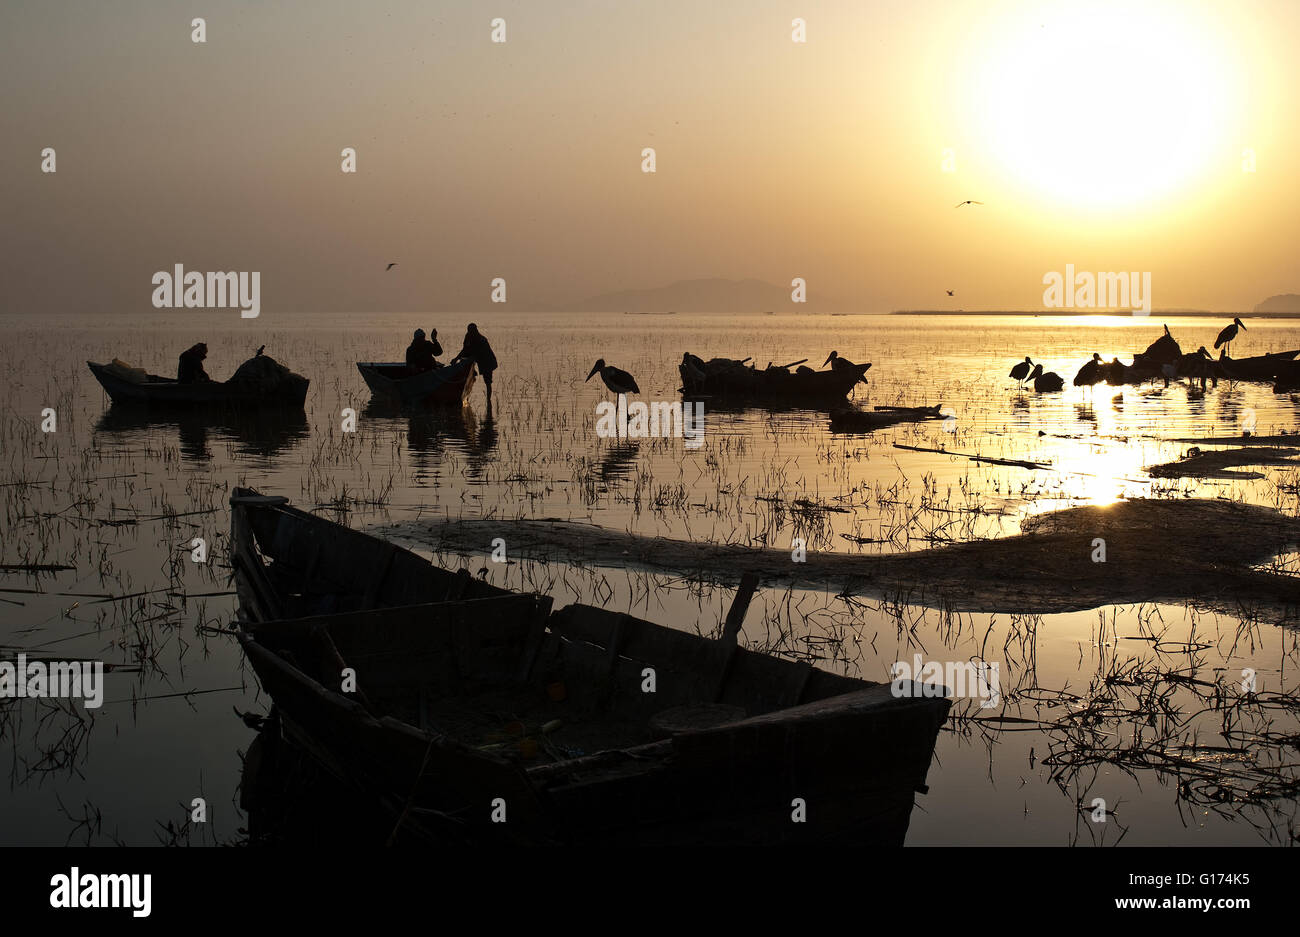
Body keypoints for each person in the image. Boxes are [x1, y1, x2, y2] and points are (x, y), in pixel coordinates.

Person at [452, 323, 498, 399]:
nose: (471, 333)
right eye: (469, 331)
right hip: (476, 356)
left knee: (488, 382)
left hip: (487, 361)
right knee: (465, 366)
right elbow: (465, 350)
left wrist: (469, 360)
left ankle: (488, 400)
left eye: (472, 331)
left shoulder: (481, 340)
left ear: (476, 330)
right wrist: (456, 359)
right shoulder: (468, 336)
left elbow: (477, 355)